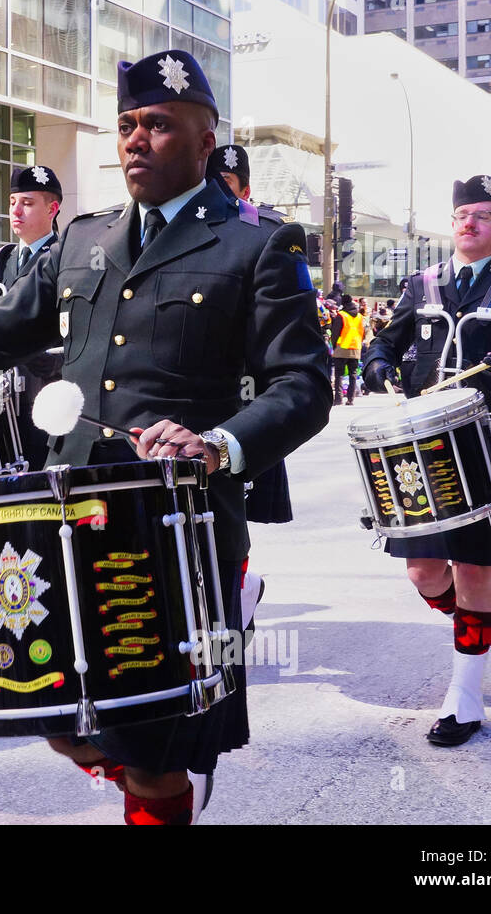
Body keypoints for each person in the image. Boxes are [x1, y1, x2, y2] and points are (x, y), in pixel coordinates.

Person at [0, 50, 331, 823]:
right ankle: (147, 779)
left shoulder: (259, 247)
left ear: (203, 139)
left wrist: (218, 444)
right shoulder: (82, 240)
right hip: (65, 518)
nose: (135, 140)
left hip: (174, 529)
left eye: (157, 125)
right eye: (127, 125)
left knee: (154, 752)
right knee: (53, 714)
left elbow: (304, 387)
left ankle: (162, 788)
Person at [362, 175, 491, 747]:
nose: (468, 223)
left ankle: (465, 698)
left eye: (482, 215)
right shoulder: (422, 284)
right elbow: (386, 342)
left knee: (475, 571)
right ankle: (470, 630)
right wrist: (377, 365)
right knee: (423, 572)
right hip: (420, 454)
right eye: (461, 214)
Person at [206, 142, 294, 626]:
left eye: (228, 185)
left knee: (231, 509)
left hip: (245, 400)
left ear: (245, 190)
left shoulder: (266, 236)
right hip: (196, 397)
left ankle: (236, 597)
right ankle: (235, 594)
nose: (217, 192)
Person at [0, 164, 65, 470]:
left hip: (46, 396)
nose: (17, 211)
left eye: (27, 203)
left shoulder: (67, 256)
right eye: (13, 203)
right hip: (0, 397)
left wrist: (56, 360)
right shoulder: (1, 259)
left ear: (52, 209)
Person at [330, 293, 365, 406]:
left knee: (339, 374)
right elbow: (362, 332)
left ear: (343, 303)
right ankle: (351, 399)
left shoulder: (342, 315)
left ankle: (338, 399)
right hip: (355, 347)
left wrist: (334, 346)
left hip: (342, 347)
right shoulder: (359, 316)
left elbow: (335, 333)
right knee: (353, 374)